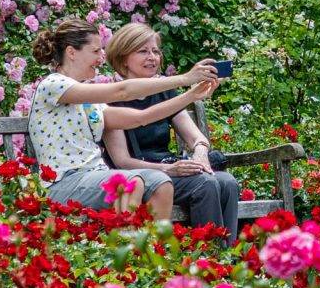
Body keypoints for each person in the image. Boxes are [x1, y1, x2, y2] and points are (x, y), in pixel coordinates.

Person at [25, 18, 217, 223]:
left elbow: (140, 118)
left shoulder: (89, 101)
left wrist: (191, 95)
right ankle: (125, 251)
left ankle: (156, 252)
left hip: (95, 177)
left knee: (161, 183)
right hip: (62, 183)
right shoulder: (54, 85)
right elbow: (123, 91)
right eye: (95, 51)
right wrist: (185, 78)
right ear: (72, 52)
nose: (101, 58)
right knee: (129, 182)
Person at [102, 22, 245, 239]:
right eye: (143, 51)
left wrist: (200, 154)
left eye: (155, 51)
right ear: (123, 59)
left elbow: (196, 137)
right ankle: (209, 261)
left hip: (173, 169)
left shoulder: (165, 93)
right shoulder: (111, 99)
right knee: (204, 184)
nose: (152, 57)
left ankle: (227, 259)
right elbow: (122, 160)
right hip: (140, 176)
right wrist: (168, 169)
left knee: (227, 182)